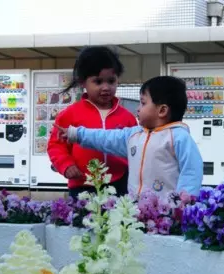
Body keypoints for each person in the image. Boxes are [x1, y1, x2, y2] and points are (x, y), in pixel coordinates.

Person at [54, 76, 203, 197]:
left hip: (166, 214)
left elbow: (191, 171)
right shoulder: (134, 135)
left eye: (143, 103)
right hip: (135, 211)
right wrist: (76, 134)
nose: (138, 109)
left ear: (162, 111)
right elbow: (106, 138)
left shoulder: (179, 138)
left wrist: (183, 204)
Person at [47, 46, 137, 198]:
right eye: (98, 81)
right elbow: (56, 145)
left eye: (111, 81)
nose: (106, 87)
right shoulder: (69, 115)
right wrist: (66, 165)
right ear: (83, 82)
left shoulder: (127, 117)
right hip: (82, 183)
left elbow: (136, 147)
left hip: (120, 183)